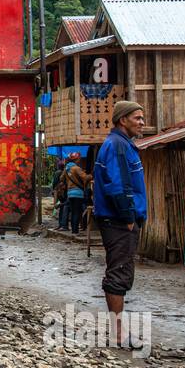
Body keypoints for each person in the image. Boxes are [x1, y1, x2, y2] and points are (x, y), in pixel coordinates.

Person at [93, 100, 148, 348]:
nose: (142, 122)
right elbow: (118, 186)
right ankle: (118, 333)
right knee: (119, 272)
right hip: (118, 221)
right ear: (122, 120)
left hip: (118, 219)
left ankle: (119, 331)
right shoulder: (117, 146)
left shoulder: (122, 145)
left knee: (121, 270)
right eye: (137, 118)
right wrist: (128, 218)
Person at [63, 154, 91, 235]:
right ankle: (75, 231)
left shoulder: (66, 169)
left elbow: (62, 178)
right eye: (79, 158)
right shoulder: (76, 168)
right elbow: (85, 177)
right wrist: (91, 175)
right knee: (77, 212)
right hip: (78, 193)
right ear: (76, 159)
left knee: (73, 212)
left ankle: (74, 230)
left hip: (70, 193)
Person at [53, 157, 69, 230]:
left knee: (61, 207)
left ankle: (61, 224)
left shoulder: (57, 173)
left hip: (59, 192)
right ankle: (62, 224)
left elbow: (54, 184)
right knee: (63, 207)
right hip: (63, 192)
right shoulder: (64, 172)